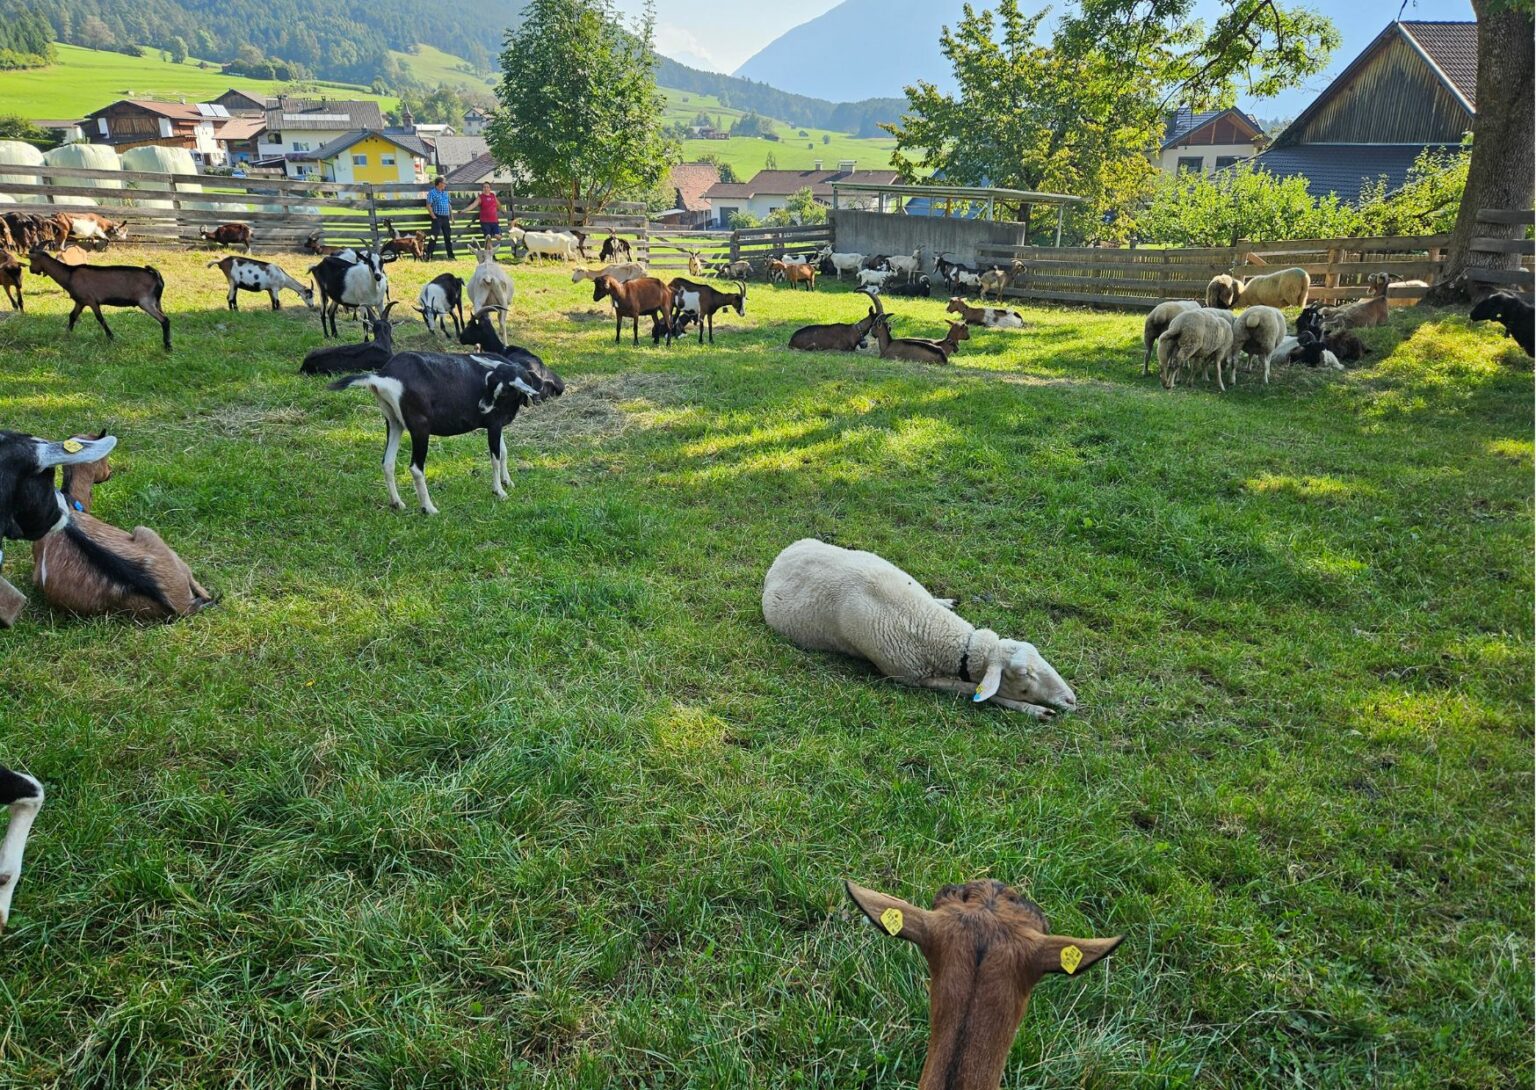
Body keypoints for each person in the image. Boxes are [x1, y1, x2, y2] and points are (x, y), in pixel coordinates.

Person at [425, 177, 455, 260]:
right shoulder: (432, 193)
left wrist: (452, 217)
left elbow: (449, 205)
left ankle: (451, 256)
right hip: (437, 217)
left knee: (448, 237)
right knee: (434, 236)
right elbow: (428, 205)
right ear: (439, 183)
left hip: (446, 218)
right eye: (444, 183)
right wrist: (434, 217)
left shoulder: (445, 193)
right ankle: (429, 255)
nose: (445, 185)